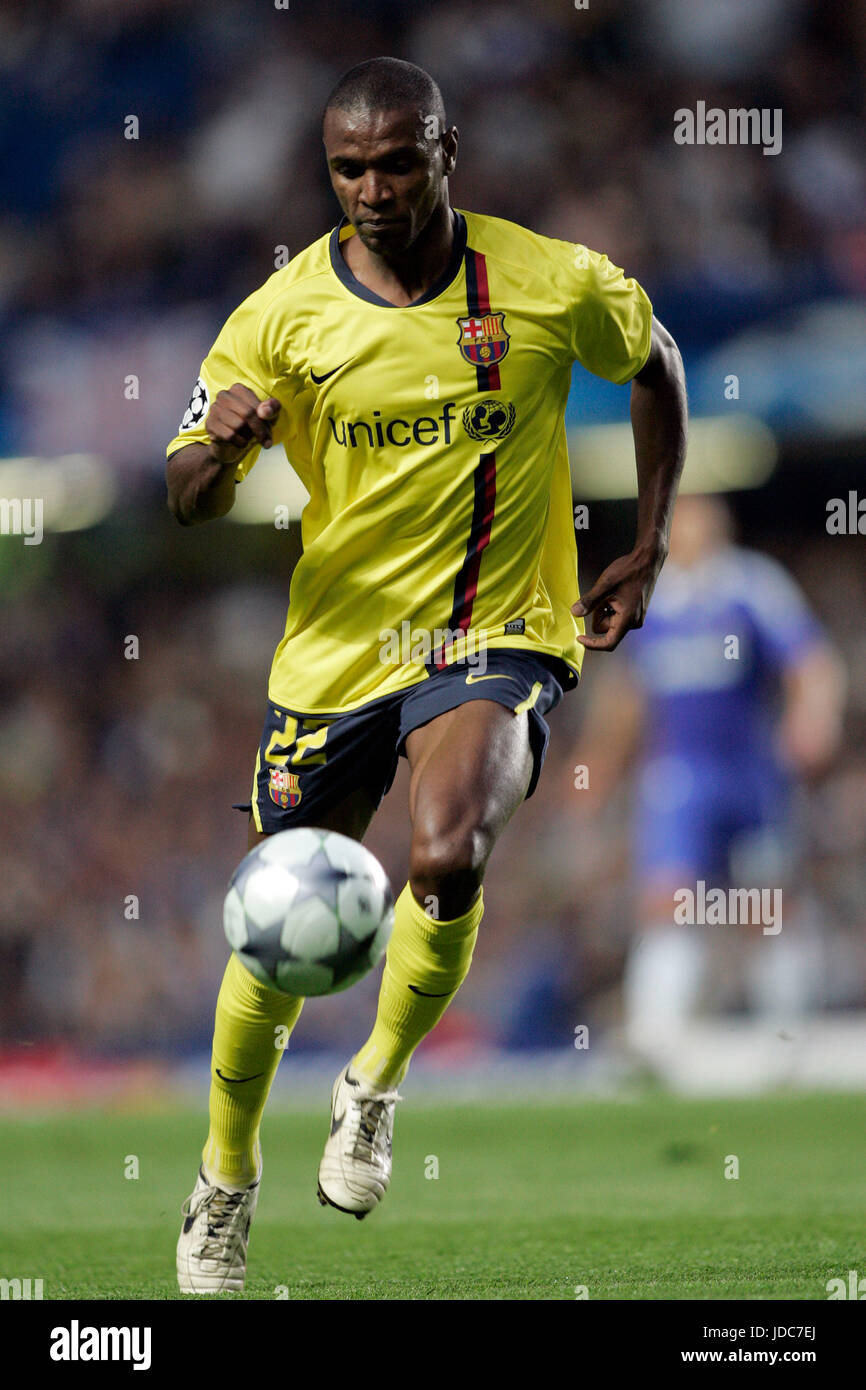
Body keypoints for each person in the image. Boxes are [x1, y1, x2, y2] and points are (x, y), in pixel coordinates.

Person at [165, 56, 687, 1293]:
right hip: (333, 659)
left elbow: (654, 357)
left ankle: (374, 1086)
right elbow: (182, 493)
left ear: (445, 151)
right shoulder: (280, 316)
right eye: (348, 167)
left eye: (396, 161)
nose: (372, 188)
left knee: (446, 851)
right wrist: (224, 450)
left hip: (493, 632)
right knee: (273, 938)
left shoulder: (548, 282)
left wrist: (647, 543)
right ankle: (224, 1176)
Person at [565, 494, 845, 1067]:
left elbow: (812, 663)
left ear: (717, 530)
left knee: (767, 905)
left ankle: (788, 1042)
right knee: (669, 901)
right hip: (677, 780)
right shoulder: (652, 602)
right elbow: (627, 696)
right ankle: (654, 1042)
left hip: (752, 775)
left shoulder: (752, 586)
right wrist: (597, 763)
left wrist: (813, 717)